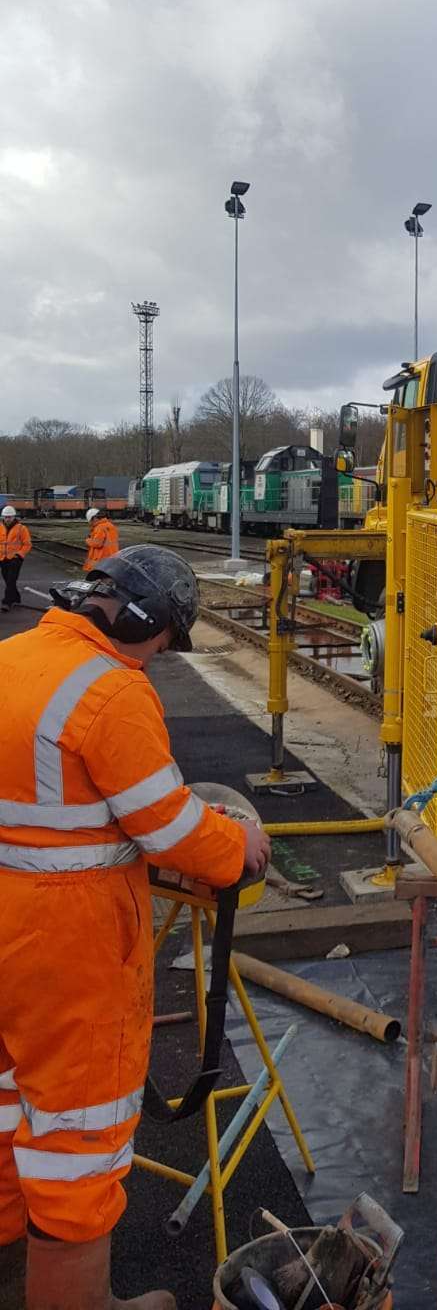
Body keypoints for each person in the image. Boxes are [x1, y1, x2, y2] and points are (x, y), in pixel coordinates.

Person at [0, 546, 272, 1310]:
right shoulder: (111, 693)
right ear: (149, 622)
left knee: (6, 1109)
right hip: (66, 945)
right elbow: (171, 829)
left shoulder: (14, 655)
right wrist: (238, 846)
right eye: (162, 642)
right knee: (75, 1140)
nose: (158, 657)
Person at [0, 506, 31, 612]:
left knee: (11, 579)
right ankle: (16, 598)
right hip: (2, 558)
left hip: (15, 559)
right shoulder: (0, 527)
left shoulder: (21, 529)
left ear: (13, 517)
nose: (7, 519)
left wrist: (20, 554)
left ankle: (6, 602)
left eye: (9, 517)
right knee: (8, 580)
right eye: (5, 517)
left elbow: (27, 544)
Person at [83, 506, 121, 572]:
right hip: (112, 556)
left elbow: (97, 543)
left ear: (94, 518)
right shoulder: (110, 525)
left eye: (90, 521)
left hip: (102, 558)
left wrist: (87, 540)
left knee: (100, 577)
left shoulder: (99, 528)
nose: (90, 524)